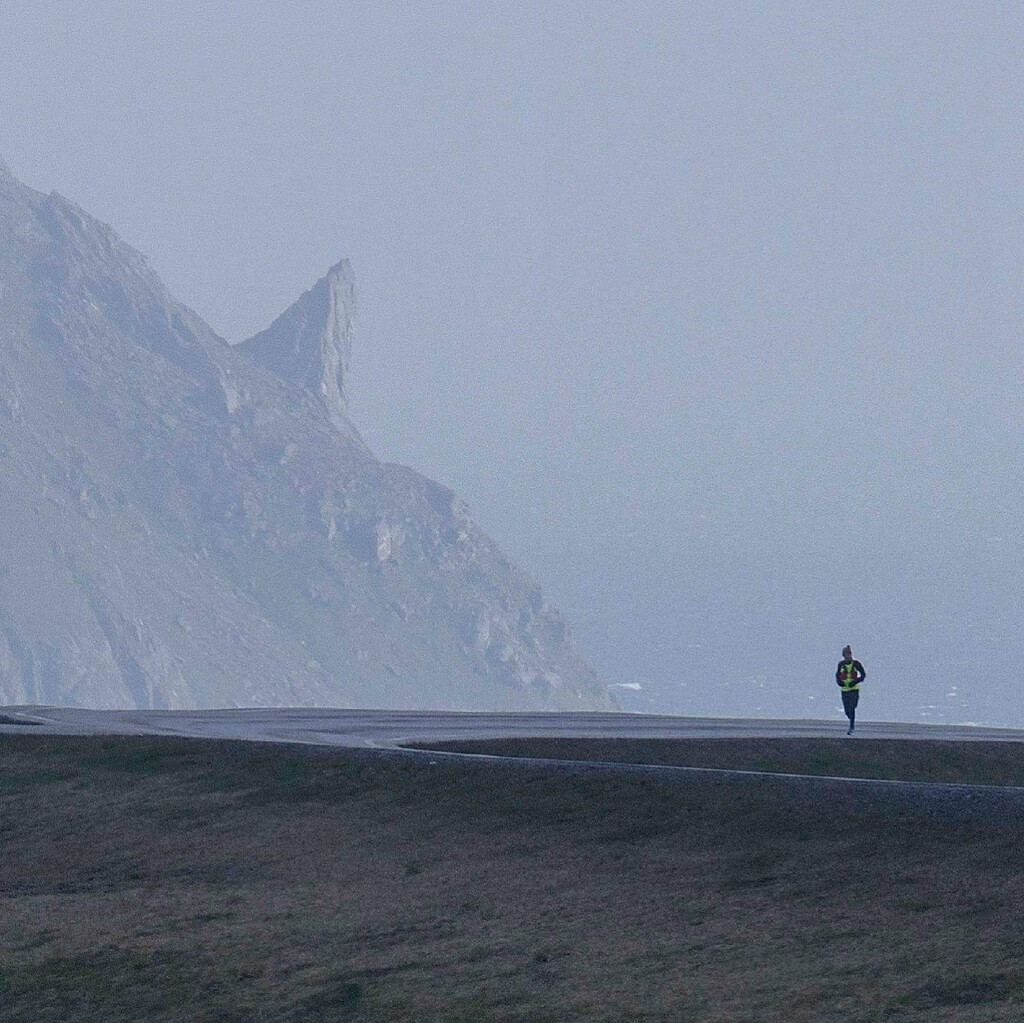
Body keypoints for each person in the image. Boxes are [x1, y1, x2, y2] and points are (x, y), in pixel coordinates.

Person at [835, 645, 865, 735]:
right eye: (845, 655)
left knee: (852, 708)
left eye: (848, 654)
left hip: (854, 689)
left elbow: (863, 675)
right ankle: (850, 719)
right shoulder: (841, 664)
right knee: (847, 711)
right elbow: (837, 676)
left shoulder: (856, 664)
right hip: (844, 690)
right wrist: (839, 682)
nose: (847, 656)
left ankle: (851, 727)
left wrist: (856, 681)